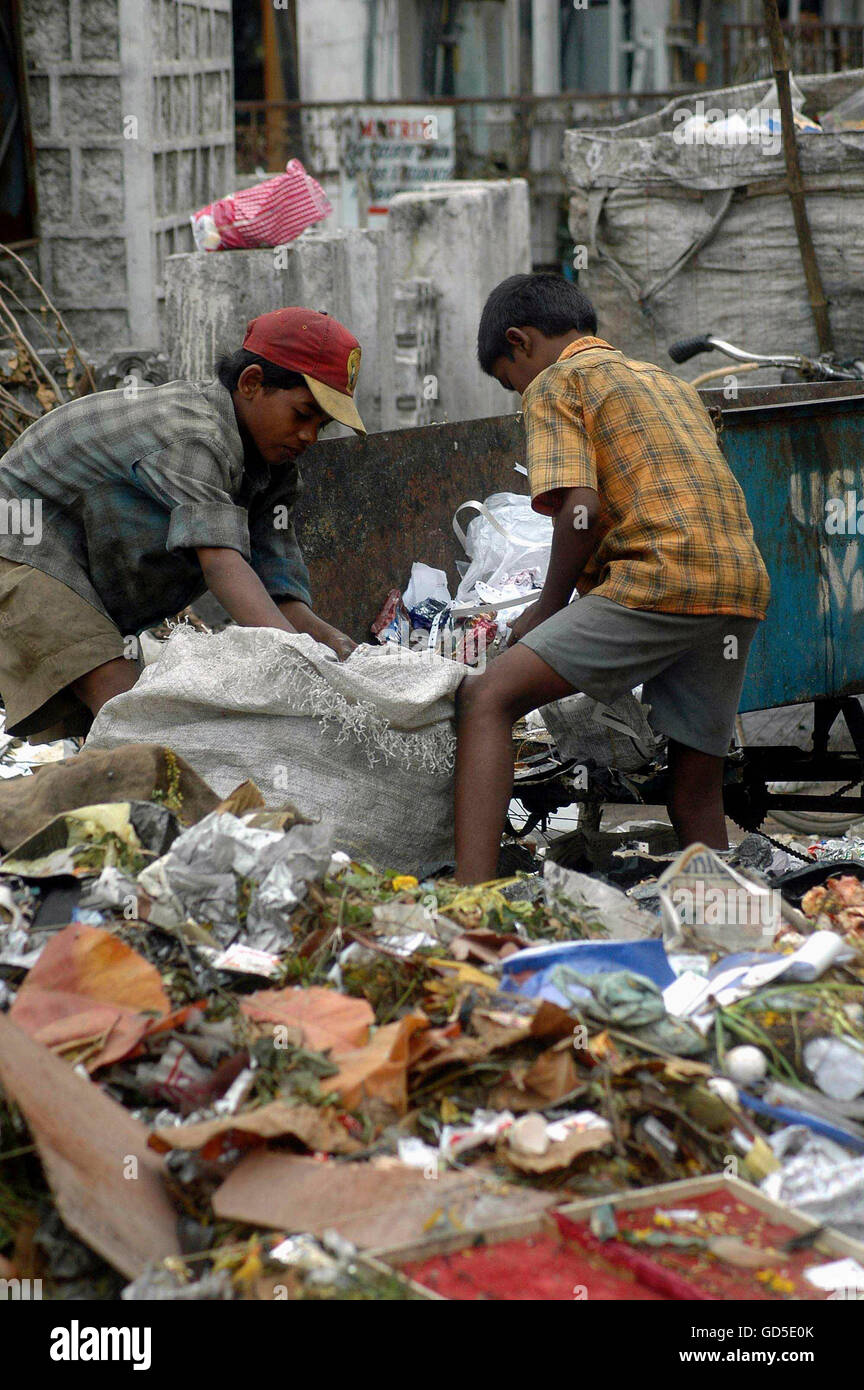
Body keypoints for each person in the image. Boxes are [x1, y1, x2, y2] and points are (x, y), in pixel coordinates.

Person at [454, 272, 770, 884]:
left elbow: (581, 507)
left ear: (520, 343)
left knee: (487, 697)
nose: (516, 392)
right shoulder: (670, 385)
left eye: (506, 381)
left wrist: (545, 610)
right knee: (694, 784)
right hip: (738, 585)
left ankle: (472, 899)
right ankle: (724, 923)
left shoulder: (553, 383)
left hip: (660, 577)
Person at [0, 306, 366, 744]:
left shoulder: (275, 470)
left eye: (321, 426)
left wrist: (333, 645)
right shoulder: (196, 434)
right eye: (302, 414)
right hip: (21, 544)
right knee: (131, 714)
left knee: (99, 729)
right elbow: (221, 564)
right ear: (251, 383)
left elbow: (278, 591)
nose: (309, 436)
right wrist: (301, 663)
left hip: (76, 569)